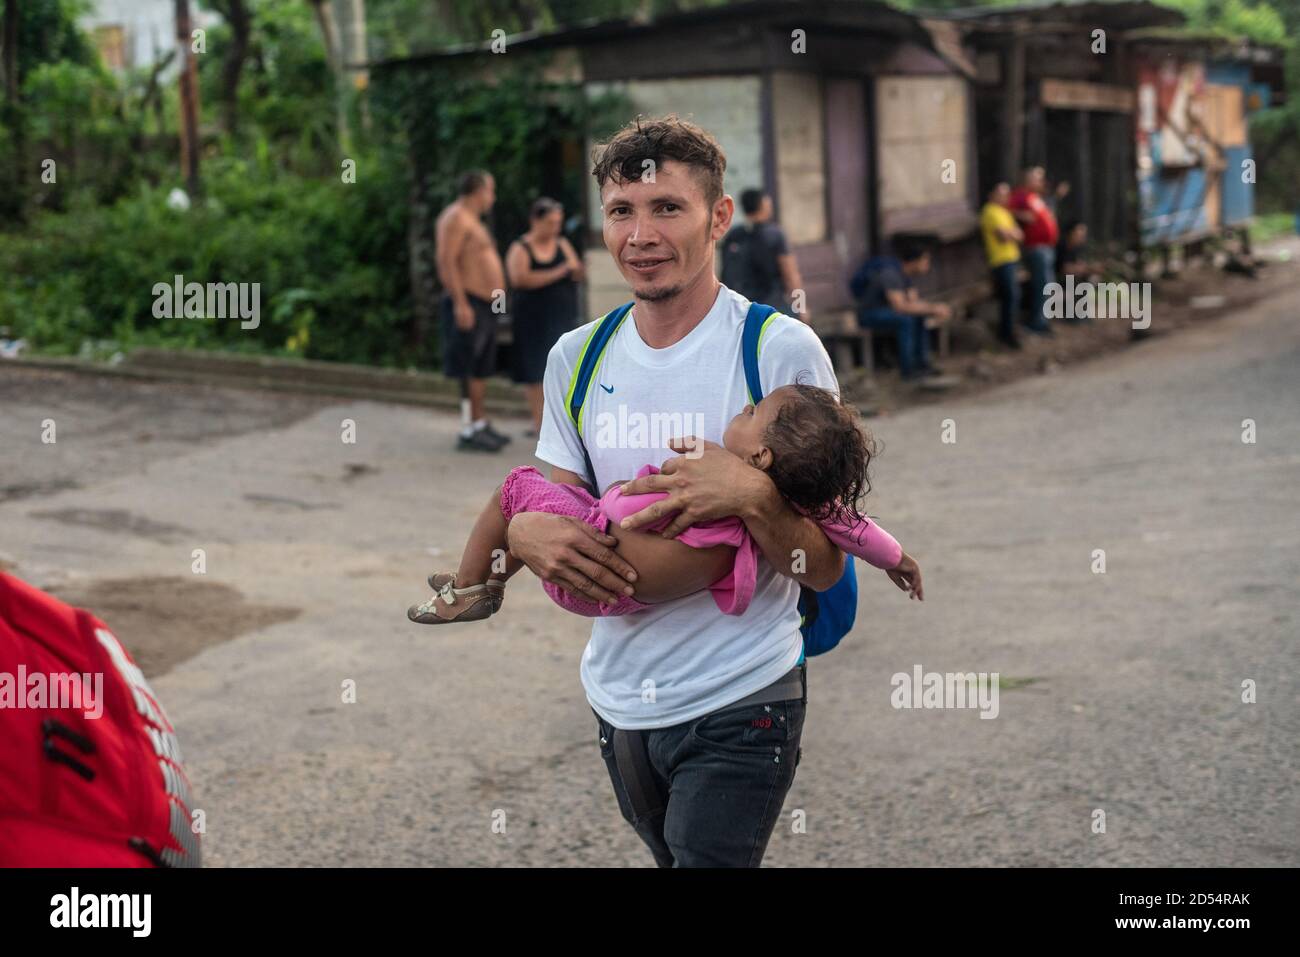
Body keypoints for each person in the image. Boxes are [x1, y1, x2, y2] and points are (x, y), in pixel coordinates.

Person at [499, 115, 924, 867]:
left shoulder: (778, 349)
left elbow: (823, 566)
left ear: (718, 217)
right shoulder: (577, 356)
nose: (641, 234)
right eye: (622, 211)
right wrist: (520, 535)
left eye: (668, 207)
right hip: (619, 699)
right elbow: (551, 503)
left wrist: (753, 499)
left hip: (745, 691)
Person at [407, 382, 920, 625]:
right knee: (529, 509)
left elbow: (626, 507)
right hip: (615, 596)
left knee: (514, 484)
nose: (741, 409)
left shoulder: (715, 470)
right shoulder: (803, 497)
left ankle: (470, 588)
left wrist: (614, 498)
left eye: (750, 410)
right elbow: (854, 526)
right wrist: (897, 559)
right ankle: (486, 575)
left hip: (594, 573)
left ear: (761, 454)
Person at [436, 170, 512, 453]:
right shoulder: (455, 217)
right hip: (468, 302)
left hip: (485, 305)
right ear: (478, 191)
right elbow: (446, 261)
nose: (492, 197)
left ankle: (479, 423)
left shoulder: (473, 221)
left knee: (481, 367)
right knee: (466, 369)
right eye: (490, 191)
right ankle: (468, 428)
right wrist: (460, 303)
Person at [506, 198, 583, 436]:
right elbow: (520, 279)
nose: (555, 228)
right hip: (531, 317)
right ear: (535, 221)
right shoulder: (520, 247)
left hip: (561, 315)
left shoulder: (562, 243)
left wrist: (573, 271)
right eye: (550, 223)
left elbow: (578, 271)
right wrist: (560, 271)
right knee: (534, 369)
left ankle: (563, 423)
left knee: (565, 365)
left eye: (558, 223)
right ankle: (540, 423)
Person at [849, 236, 950, 381]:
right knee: (906, 320)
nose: (928, 264)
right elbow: (900, 306)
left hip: (888, 312)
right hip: (870, 314)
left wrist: (932, 309)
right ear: (915, 261)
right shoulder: (890, 273)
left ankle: (923, 365)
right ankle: (908, 370)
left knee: (919, 316)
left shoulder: (905, 276)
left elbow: (914, 303)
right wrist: (934, 308)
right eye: (925, 260)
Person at [719, 189, 810, 322]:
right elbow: (792, 276)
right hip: (772, 309)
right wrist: (801, 307)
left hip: (740, 311)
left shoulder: (733, 235)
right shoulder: (774, 235)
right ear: (763, 205)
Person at [1009, 166, 1060, 336]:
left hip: (1046, 248)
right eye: (1037, 178)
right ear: (1027, 180)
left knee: (1048, 285)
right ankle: (1036, 322)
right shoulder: (1020, 196)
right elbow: (1007, 210)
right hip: (1035, 248)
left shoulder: (1035, 197)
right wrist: (1023, 216)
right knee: (1041, 285)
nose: (1040, 182)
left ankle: (1043, 320)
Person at [980, 182, 1024, 349]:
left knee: (1014, 297)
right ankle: (1007, 334)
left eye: (1006, 194)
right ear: (991, 194)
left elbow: (1020, 235)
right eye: (1000, 193)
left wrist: (1012, 233)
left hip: (1012, 259)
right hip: (1000, 260)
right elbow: (1005, 236)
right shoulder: (989, 211)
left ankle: (1011, 331)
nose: (1004, 197)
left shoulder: (1004, 212)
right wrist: (1012, 233)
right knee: (1010, 297)